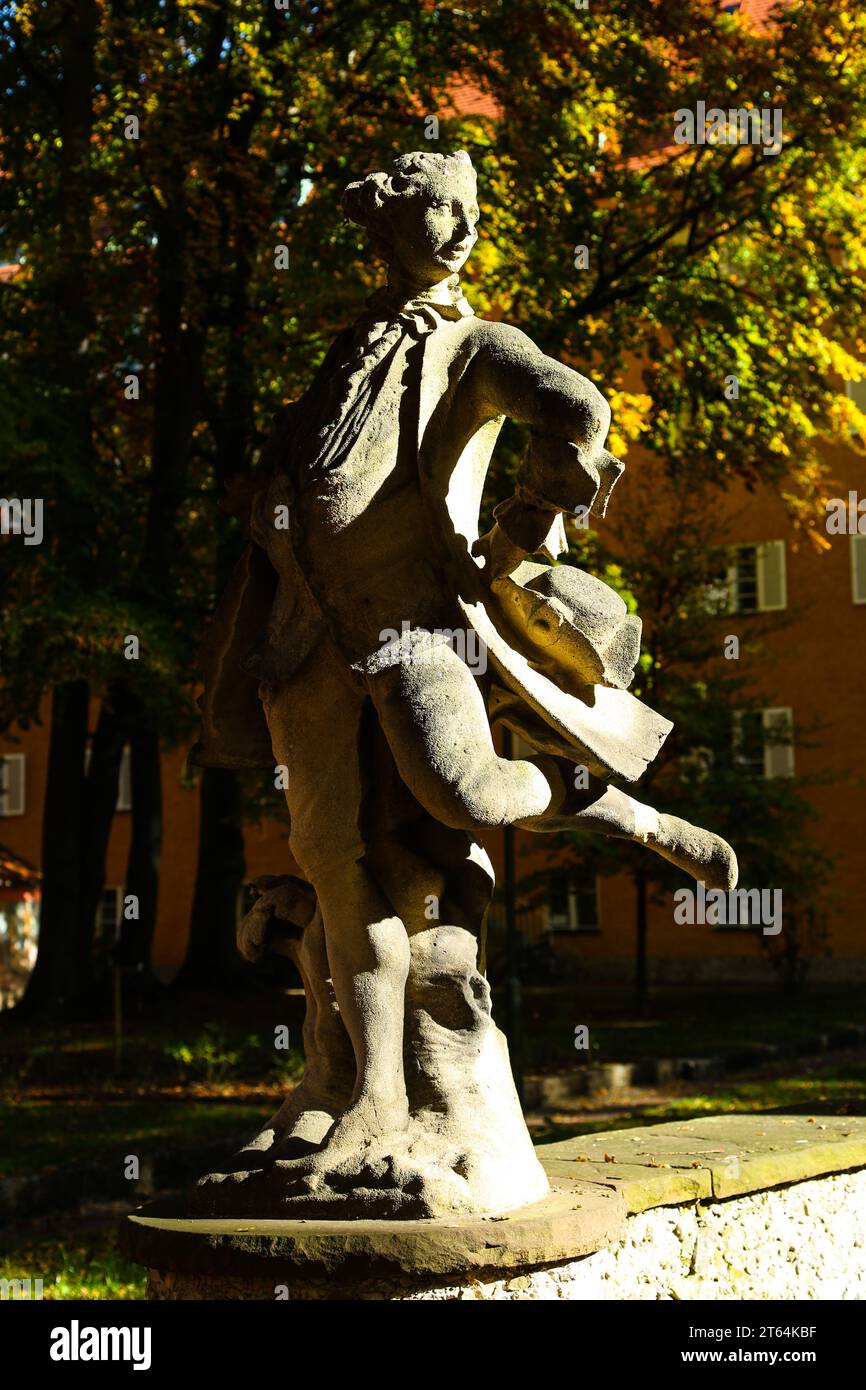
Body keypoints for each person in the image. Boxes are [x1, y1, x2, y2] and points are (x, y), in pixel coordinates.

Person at [195, 150, 737, 1172]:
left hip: (413, 623)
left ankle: (615, 805)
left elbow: (575, 409)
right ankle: (368, 1096)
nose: (458, 227)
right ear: (385, 226)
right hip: (307, 642)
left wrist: (523, 526)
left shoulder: (475, 344)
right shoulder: (344, 348)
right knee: (334, 866)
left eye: (468, 210)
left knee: (460, 788)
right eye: (437, 208)